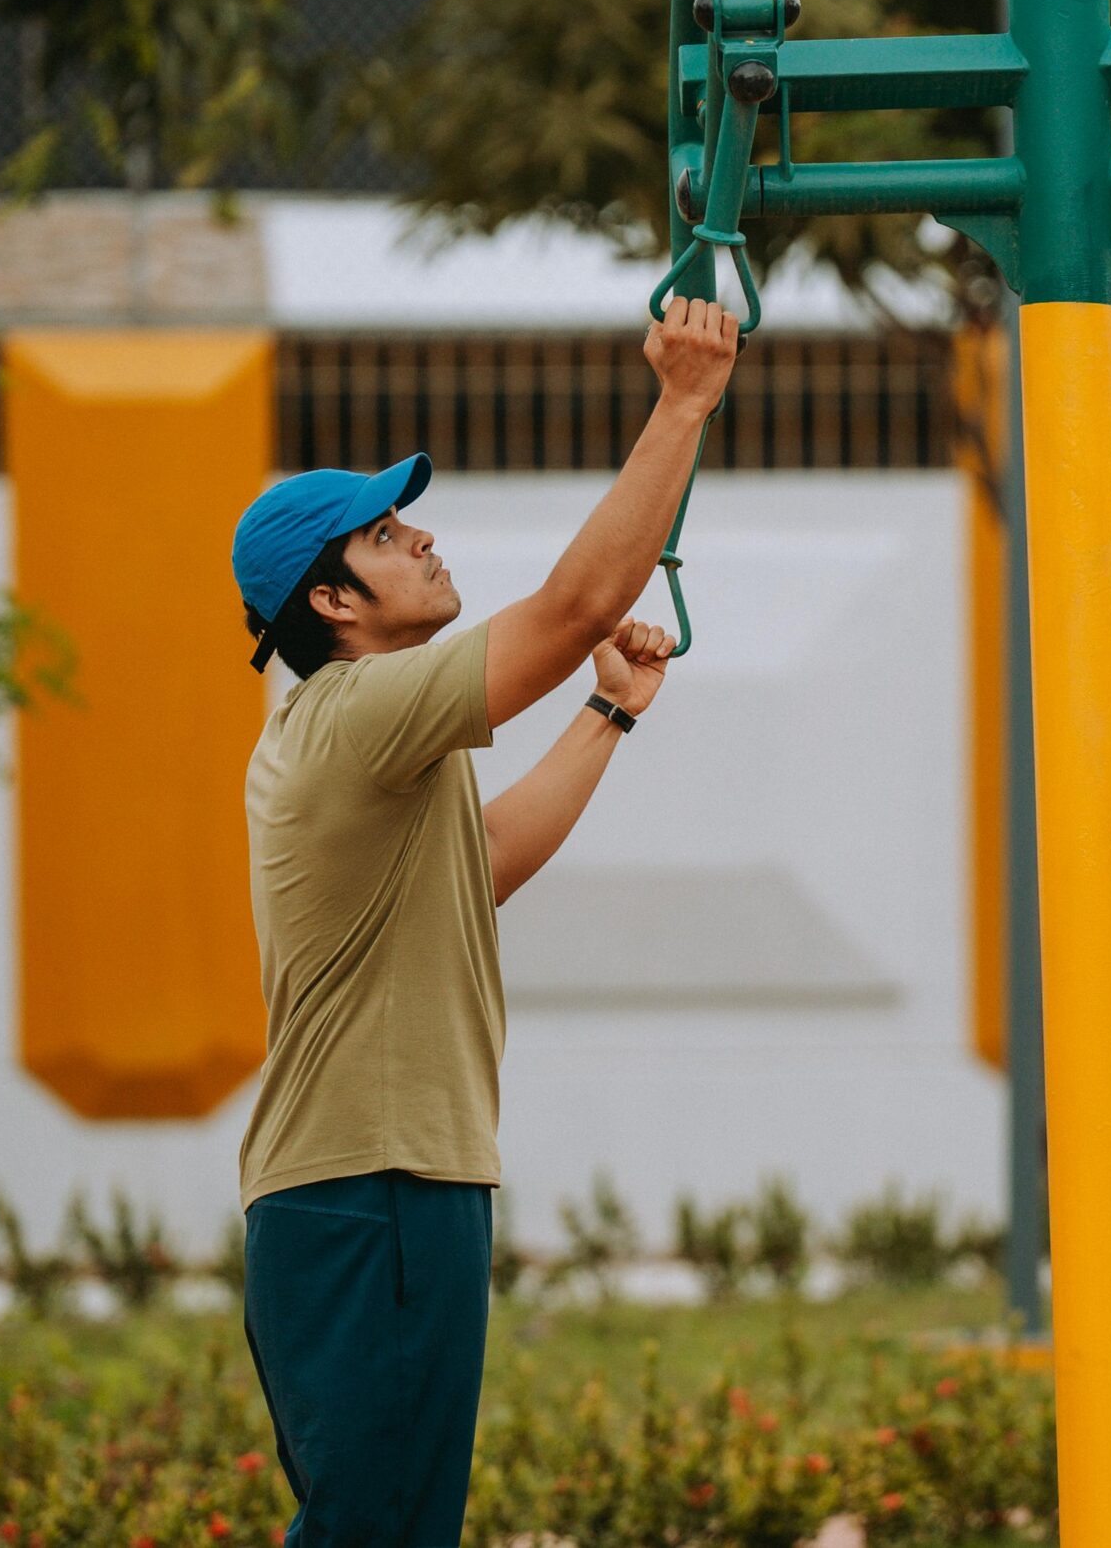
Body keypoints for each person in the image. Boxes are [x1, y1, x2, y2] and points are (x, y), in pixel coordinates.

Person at [223, 295, 741, 1546]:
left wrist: (608, 715)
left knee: (386, 1525)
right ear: (332, 604)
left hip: (379, 1190)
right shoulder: (356, 714)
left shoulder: (380, 739)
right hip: (373, 1188)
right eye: (390, 536)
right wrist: (682, 402)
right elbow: (569, 610)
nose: (425, 539)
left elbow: (486, 859)